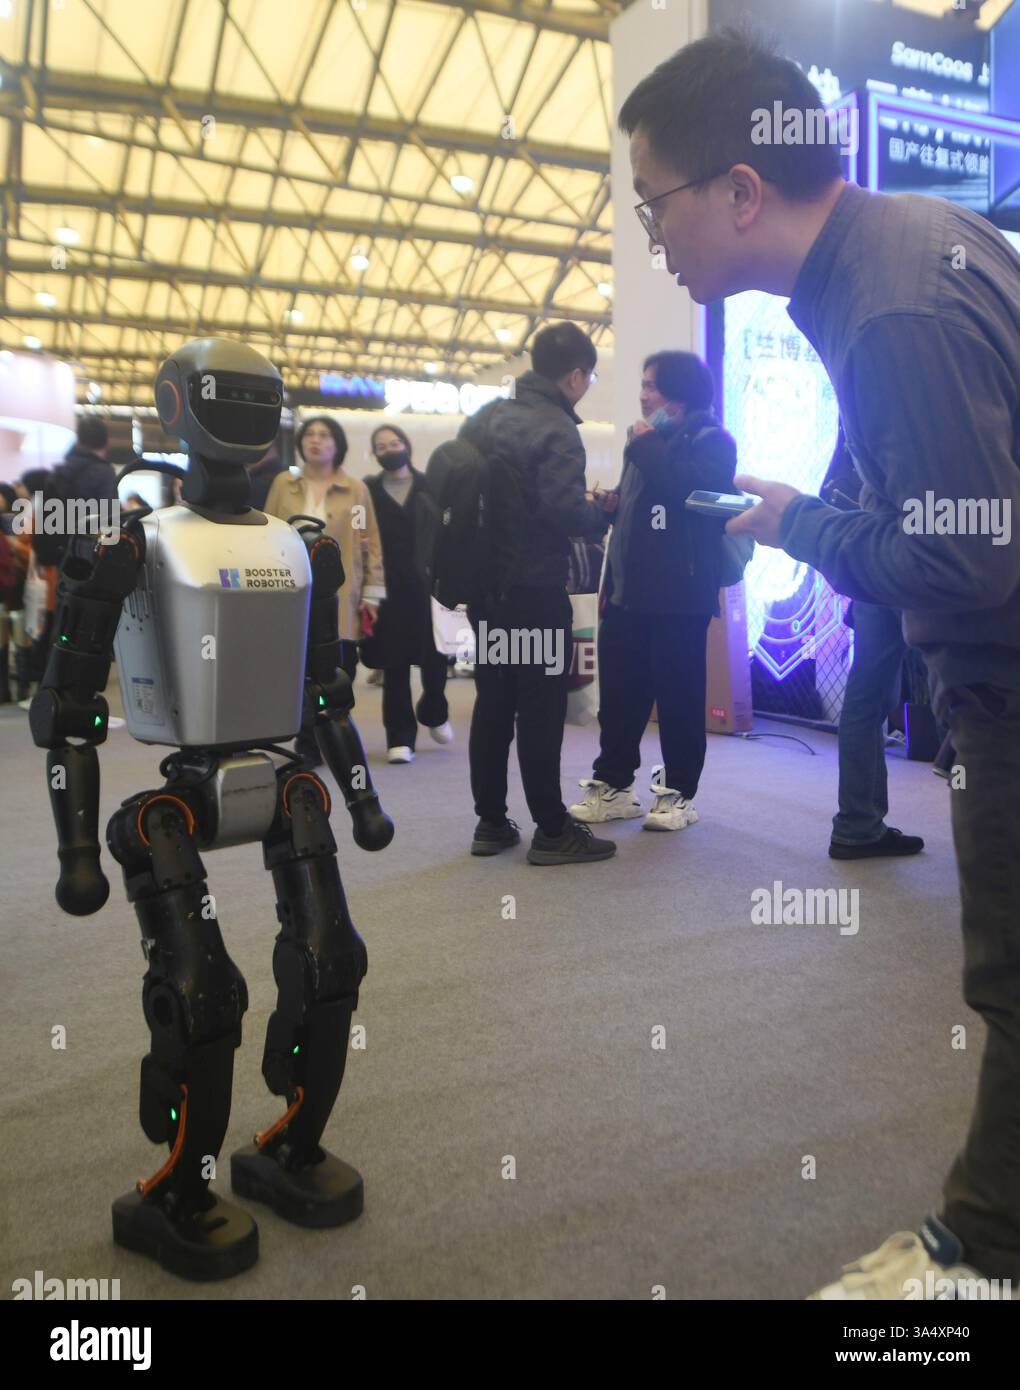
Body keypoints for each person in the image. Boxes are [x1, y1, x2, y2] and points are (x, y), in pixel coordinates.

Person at [619, 28, 1020, 1299]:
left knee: (1010, 975)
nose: (653, 237)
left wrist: (804, 523)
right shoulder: (902, 248)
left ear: (741, 189)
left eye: (655, 202)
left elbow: (972, 560)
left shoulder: (890, 297)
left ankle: (987, 1252)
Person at [458, 321, 618, 865]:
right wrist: (601, 511)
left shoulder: (486, 419)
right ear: (575, 374)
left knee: (495, 703)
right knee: (541, 709)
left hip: (488, 593)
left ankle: (491, 822)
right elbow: (563, 510)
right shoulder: (556, 428)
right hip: (533, 592)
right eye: (589, 376)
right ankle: (552, 829)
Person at [570, 351, 736, 832]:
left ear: (681, 394)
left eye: (652, 387)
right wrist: (614, 504)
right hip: (626, 593)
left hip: (680, 596)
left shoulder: (712, 440)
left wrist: (645, 448)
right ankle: (616, 786)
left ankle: (679, 794)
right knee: (621, 696)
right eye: (642, 385)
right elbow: (646, 503)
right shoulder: (644, 441)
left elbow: (688, 490)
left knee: (679, 697)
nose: (643, 395)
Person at [822, 428, 924, 859]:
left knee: (867, 695)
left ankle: (858, 825)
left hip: (874, 550)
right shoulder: (940, 388)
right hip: (923, 551)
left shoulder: (865, 391)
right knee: (975, 690)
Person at [265, 416, 384, 766]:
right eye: (310, 435)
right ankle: (306, 742)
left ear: (338, 445)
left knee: (337, 668)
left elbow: (368, 543)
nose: (316, 441)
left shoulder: (356, 489)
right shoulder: (283, 484)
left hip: (340, 593)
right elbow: (266, 531)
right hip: (292, 589)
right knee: (297, 669)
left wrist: (371, 594)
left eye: (325, 435)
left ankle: (337, 736)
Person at [364, 424, 451, 763]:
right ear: (375, 454)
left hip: (430, 587)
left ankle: (434, 710)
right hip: (388, 589)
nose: (390, 449)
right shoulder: (368, 491)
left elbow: (448, 535)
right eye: (382, 446)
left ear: (407, 445)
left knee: (435, 659)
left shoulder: (431, 487)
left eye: (395, 442)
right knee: (395, 663)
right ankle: (399, 737)